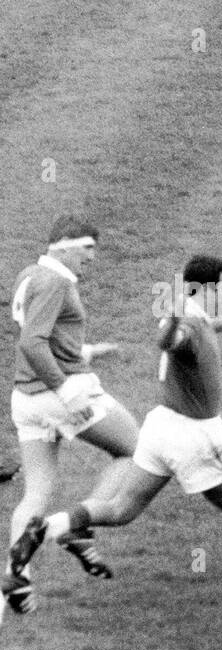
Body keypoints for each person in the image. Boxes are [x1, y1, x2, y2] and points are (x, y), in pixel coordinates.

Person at [3, 254, 222, 608]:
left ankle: (47, 528)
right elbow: (173, 340)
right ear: (208, 287)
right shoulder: (183, 320)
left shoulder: (191, 312)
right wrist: (172, 324)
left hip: (161, 428)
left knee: (122, 508)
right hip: (196, 435)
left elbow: (197, 327)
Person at [4, 215, 140, 614]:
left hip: (25, 401)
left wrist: (87, 350)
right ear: (64, 243)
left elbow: (42, 335)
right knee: (135, 449)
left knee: (37, 492)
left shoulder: (29, 275)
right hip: (60, 392)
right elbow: (33, 342)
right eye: (88, 247)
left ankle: (18, 577)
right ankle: (78, 528)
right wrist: (65, 388)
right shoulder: (58, 282)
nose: (92, 257)